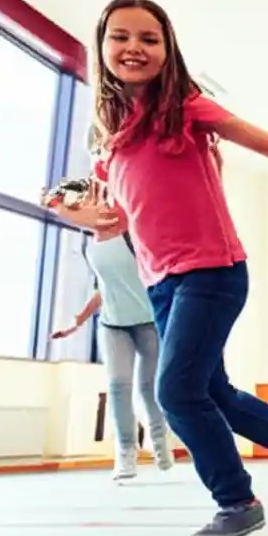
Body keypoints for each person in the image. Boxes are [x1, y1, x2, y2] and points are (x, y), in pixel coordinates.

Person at [87, 0, 268, 536]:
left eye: (150, 38)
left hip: (213, 271)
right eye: (121, 36)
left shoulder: (187, 108)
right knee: (210, 390)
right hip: (162, 284)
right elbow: (126, 212)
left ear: (168, 51)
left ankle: (236, 501)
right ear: (102, 48)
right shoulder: (112, 140)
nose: (135, 48)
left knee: (174, 391)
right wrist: (100, 216)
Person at [44, 179, 173, 481]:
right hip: (113, 324)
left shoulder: (131, 237)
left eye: (96, 201)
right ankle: (126, 452)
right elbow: (105, 287)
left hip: (147, 322)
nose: (91, 207)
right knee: (118, 387)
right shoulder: (90, 246)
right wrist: (77, 321)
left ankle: (158, 438)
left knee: (147, 389)